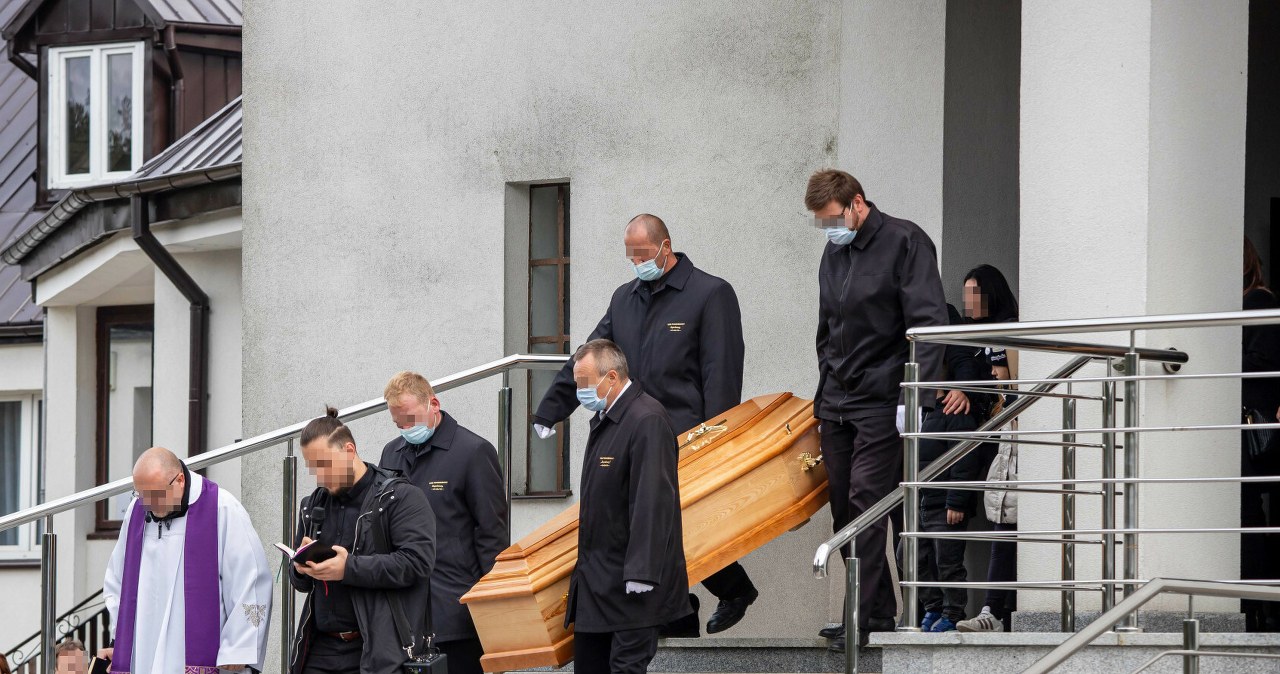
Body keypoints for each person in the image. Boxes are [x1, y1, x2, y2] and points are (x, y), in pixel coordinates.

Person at [533, 213, 756, 636]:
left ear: (664, 247)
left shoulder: (710, 294)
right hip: (628, 429)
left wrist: (717, 440)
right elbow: (590, 355)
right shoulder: (625, 299)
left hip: (685, 436)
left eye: (642, 254)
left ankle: (734, 589)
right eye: (630, 256)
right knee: (637, 524)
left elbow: (721, 371)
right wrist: (551, 408)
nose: (636, 262)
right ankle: (678, 609)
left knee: (677, 523)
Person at [806, 169, 949, 651]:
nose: (828, 230)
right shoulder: (834, 250)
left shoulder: (906, 242)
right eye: (821, 223)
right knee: (845, 512)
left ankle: (862, 617)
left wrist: (917, 395)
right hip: (837, 402)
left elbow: (928, 323)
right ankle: (879, 611)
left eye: (832, 219)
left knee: (868, 504)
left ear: (857, 204)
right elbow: (827, 326)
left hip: (884, 400)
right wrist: (823, 390)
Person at [565, 339, 690, 673]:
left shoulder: (646, 419)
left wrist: (642, 571)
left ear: (612, 378)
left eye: (585, 382)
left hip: (632, 587)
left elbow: (653, 500)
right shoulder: (609, 418)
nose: (580, 390)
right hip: (598, 584)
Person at [288, 407, 437, 674]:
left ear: (349, 450)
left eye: (324, 464)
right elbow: (301, 584)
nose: (319, 477)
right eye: (313, 468)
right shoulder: (313, 505)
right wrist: (300, 567)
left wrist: (349, 569)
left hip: (376, 649)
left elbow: (417, 563)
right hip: (319, 647)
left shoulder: (400, 497)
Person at [380, 371, 508, 674]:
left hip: (458, 613)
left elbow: (492, 535)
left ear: (433, 404)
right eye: (399, 423)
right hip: (405, 613)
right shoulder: (391, 453)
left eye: (410, 419)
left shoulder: (473, 451)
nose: (406, 428)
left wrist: (492, 608)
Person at [102, 447, 272, 673]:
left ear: (179, 480)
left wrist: (239, 647)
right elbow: (117, 579)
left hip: (200, 654)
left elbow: (251, 578)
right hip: (144, 653)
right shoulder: (137, 513)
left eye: (155, 495)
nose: (148, 504)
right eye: (142, 495)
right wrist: (120, 640)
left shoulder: (222, 508)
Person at [915, 304, 996, 633]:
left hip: (945, 503)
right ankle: (932, 608)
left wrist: (957, 502)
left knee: (948, 561)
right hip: (924, 501)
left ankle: (951, 613)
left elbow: (963, 457)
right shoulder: (927, 407)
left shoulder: (955, 405)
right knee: (918, 557)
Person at [954, 263, 1021, 633]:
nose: (969, 303)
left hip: (1014, 433)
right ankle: (996, 610)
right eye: (966, 295)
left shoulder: (1009, 330)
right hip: (1002, 437)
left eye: (975, 294)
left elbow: (1014, 389)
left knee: (1005, 521)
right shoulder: (981, 333)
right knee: (1002, 520)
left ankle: (995, 611)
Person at [1241, 237, 1280, 632]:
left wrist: (1213, 352)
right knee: (1245, 514)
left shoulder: (1257, 300)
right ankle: (1254, 605)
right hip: (1240, 423)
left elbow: (1263, 361)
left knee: (1247, 514)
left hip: (1250, 424)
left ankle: (1257, 607)